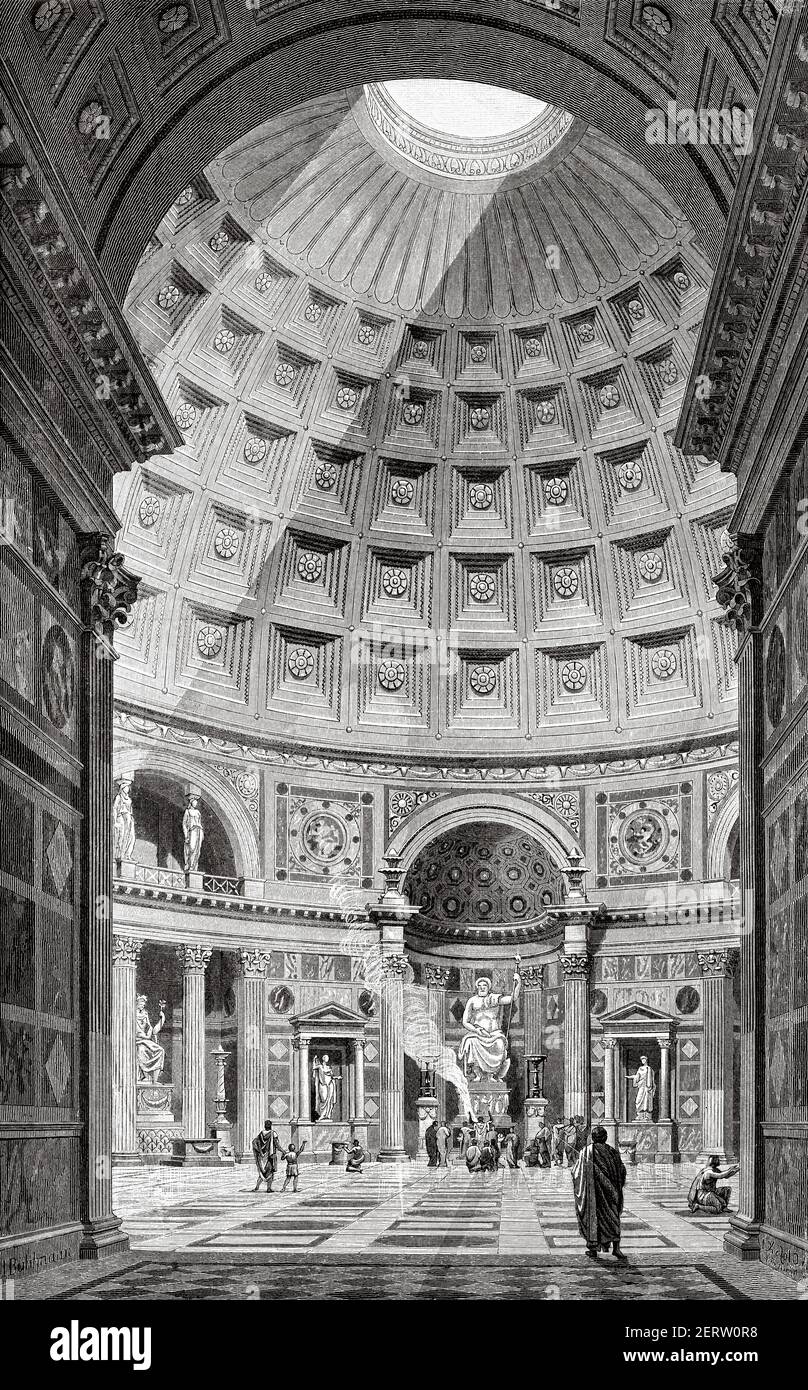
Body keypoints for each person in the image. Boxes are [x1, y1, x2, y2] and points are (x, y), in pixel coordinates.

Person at [572, 1124, 628, 1262]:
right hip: (611, 1193)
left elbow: (577, 1172)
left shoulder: (586, 1151)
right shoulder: (612, 1151)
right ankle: (616, 1248)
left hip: (594, 1194)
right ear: (605, 1137)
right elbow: (622, 1170)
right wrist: (616, 1185)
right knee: (613, 1219)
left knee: (594, 1219)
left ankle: (593, 1249)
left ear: (593, 1137)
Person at [458, 973, 521, 1081]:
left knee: (499, 1044)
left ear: (488, 987)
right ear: (477, 988)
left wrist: (518, 983)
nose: (482, 987)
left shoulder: (494, 998)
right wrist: (477, 1030)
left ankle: (491, 1075)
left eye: (485, 985)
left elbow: (512, 998)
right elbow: (465, 1022)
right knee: (470, 1041)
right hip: (477, 1034)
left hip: (494, 1034)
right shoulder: (472, 1001)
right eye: (480, 986)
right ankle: (478, 1074)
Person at [251, 1119, 282, 1193]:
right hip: (269, 1156)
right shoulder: (273, 1133)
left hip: (261, 1156)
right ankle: (268, 1188)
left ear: (265, 1126)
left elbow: (254, 1142)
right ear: (270, 1126)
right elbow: (277, 1145)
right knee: (270, 1172)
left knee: (262, 1173)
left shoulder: (261, 1134)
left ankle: (257, 1187)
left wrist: (260, 1151)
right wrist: (283, 1151)